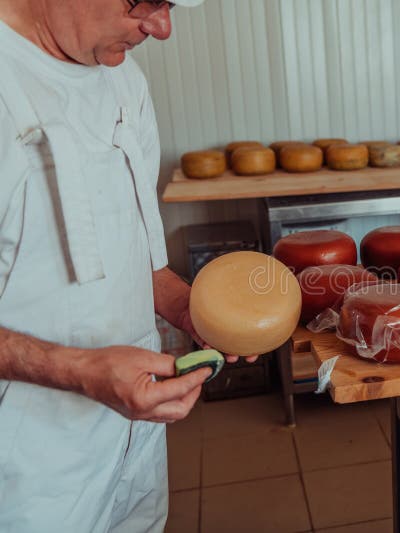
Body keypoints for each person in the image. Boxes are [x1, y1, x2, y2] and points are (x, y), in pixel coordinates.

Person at [0, 0, 243, 530]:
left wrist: (185, 306)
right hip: (27, 472)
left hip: (133, 444)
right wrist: (77, 370)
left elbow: (137, 253)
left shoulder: (123, 81)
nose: (162, 28)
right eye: (148, 3)